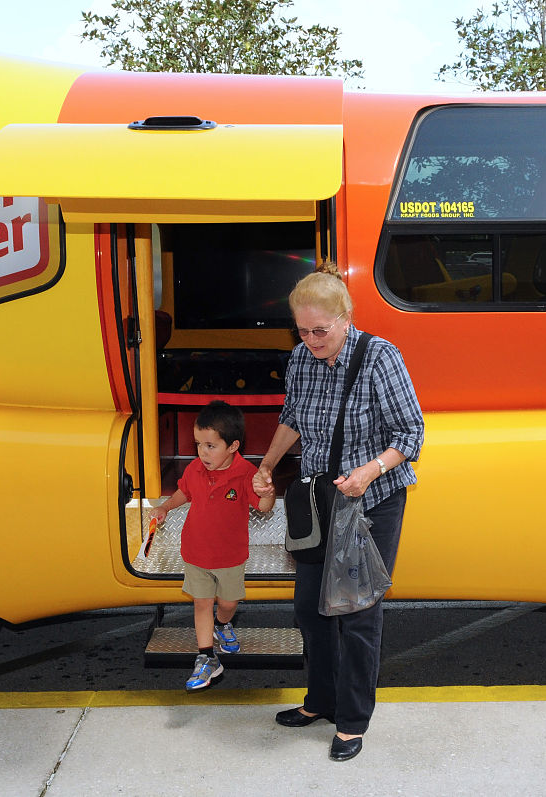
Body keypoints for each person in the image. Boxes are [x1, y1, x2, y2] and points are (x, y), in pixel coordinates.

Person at [253, 263, 424, 762]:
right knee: (310, 607)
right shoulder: (301, 360)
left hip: (369, 502)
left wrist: (369, 471)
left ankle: (351, 721)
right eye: (302, 331)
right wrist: (264, 465)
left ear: (345, 317)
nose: (311, 340)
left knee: (357, 614)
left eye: (320, 331)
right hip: (316, 500)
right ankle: (320, 700)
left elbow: (410, 436)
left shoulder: (380, 358)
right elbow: (292, 418)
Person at [151, 400, 274, 691]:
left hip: (230, 556)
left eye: (210, 446)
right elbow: (184, 491)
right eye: (198, 444)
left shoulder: (246, 474)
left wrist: (267, 492)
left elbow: (265, 508)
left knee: (228, 603)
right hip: (196, 552)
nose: (202, 453)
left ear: (233, 446)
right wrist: (165, 507)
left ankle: (223, 624)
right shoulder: (195, 468)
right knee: (202, 603)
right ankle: (207, 657)